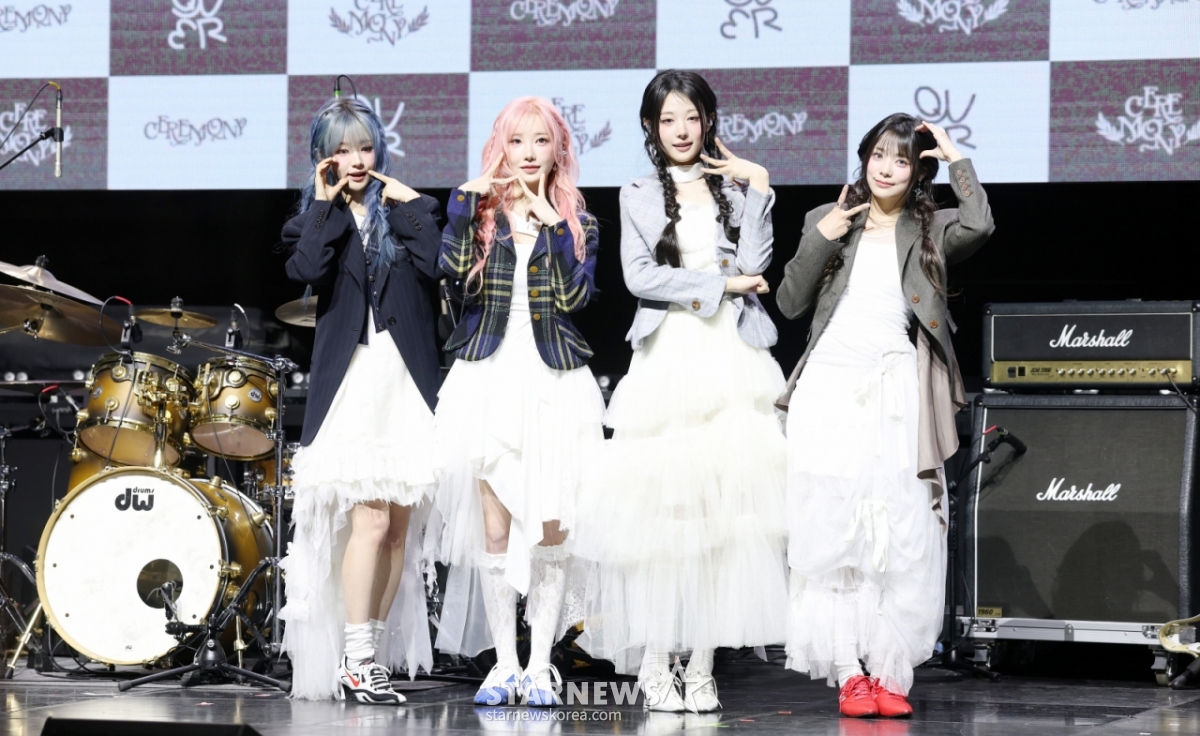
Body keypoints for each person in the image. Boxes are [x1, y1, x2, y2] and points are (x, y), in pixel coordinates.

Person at [573, 70, 789, 713]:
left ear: (708, 121)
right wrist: (719, 286)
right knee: (669, 519)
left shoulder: (735, 187)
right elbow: (640, 277)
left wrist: (760, 186)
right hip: (670, 357)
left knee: (725, 520)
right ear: (651, 127)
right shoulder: (637, 192)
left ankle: (701, 665)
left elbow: (756, 265)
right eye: (668, 119)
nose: (681, 130)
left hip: (733, 356)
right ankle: (656, 661)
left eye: (691, 117)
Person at [776, 113, 994, 718]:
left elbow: (980, 222)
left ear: (917, 171)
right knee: (835, 535)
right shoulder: (828, 218)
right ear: (864, 158)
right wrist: (822, 236)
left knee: (901, 533)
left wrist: (954, 157)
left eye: (901, 159)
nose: (887, 168)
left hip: (896, 387)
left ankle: (892, 673)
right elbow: (789, 303)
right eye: (878, 155)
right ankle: (849, 673)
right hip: (829, 387)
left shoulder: (932, 228)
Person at [426, 96, 605, 707]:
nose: (529, 153)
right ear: (501, 147)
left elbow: (574, 299)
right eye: (517, 141)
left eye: (541, 141)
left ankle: (539, 665)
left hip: (554, 379)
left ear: (558, 150)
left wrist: (552, 225)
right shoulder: (482, 217)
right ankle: (504, 663)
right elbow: (450, 270)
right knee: (496, 527)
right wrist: (462, 206)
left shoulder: (579, 223)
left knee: (552, 525)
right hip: (489, 375)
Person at [279, 96, 444, 704]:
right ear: (323, 158)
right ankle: (357, 658)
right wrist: (326, 207)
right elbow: (307, 269)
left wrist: (409, 205)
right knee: (369, 521)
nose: (355, 160)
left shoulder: (408, 213)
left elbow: (440, 265)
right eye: (342, 150)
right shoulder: (311, 222)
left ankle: (366, 656)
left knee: (398, 530)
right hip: (353, 384)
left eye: (365, 147)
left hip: (406, 382)